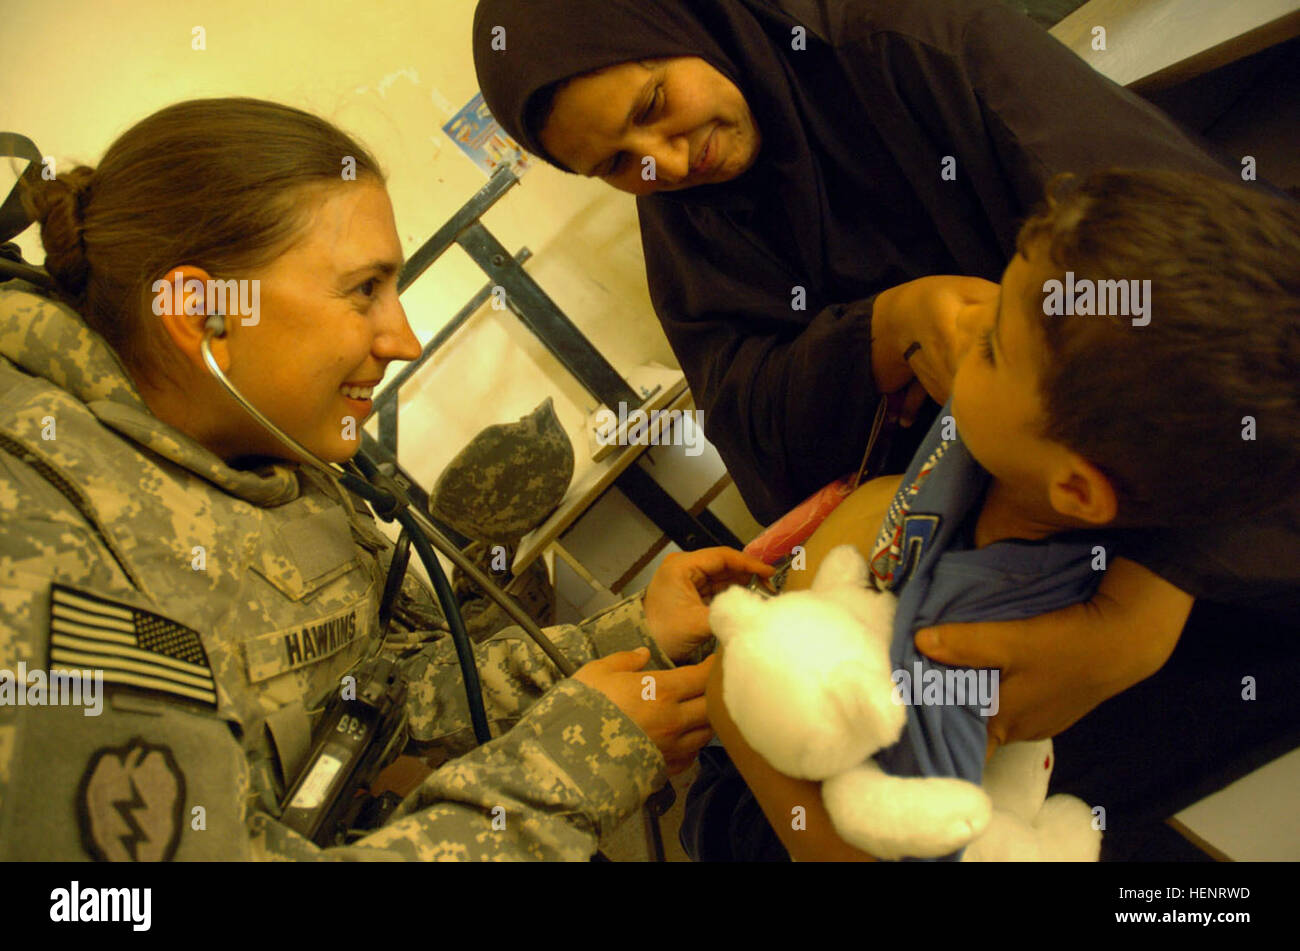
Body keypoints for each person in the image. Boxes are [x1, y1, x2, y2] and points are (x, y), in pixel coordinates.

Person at [472, 0, 1300, 856]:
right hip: (973, 549)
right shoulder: (686, 223)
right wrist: (878, 331)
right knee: (743, 808)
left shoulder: (919, 47)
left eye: (651, 106)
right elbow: (753, 431)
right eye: (615, 163)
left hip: (1189, 537)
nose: (666, 163)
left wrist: (1145, 606)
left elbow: (1232, 314)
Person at [0, 97, 775, 861]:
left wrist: (633, 633)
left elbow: (381, 688)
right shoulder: (37, 556)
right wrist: (576, 764)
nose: (402, 337)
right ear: (203, 314)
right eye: (364, 289)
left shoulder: (279, 461)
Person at [696, 167, 1300, 861]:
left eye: (992, 345)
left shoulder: (972, 637)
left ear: (1075, 490)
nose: (969, 317)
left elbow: (922, 826)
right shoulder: (1009, 439)